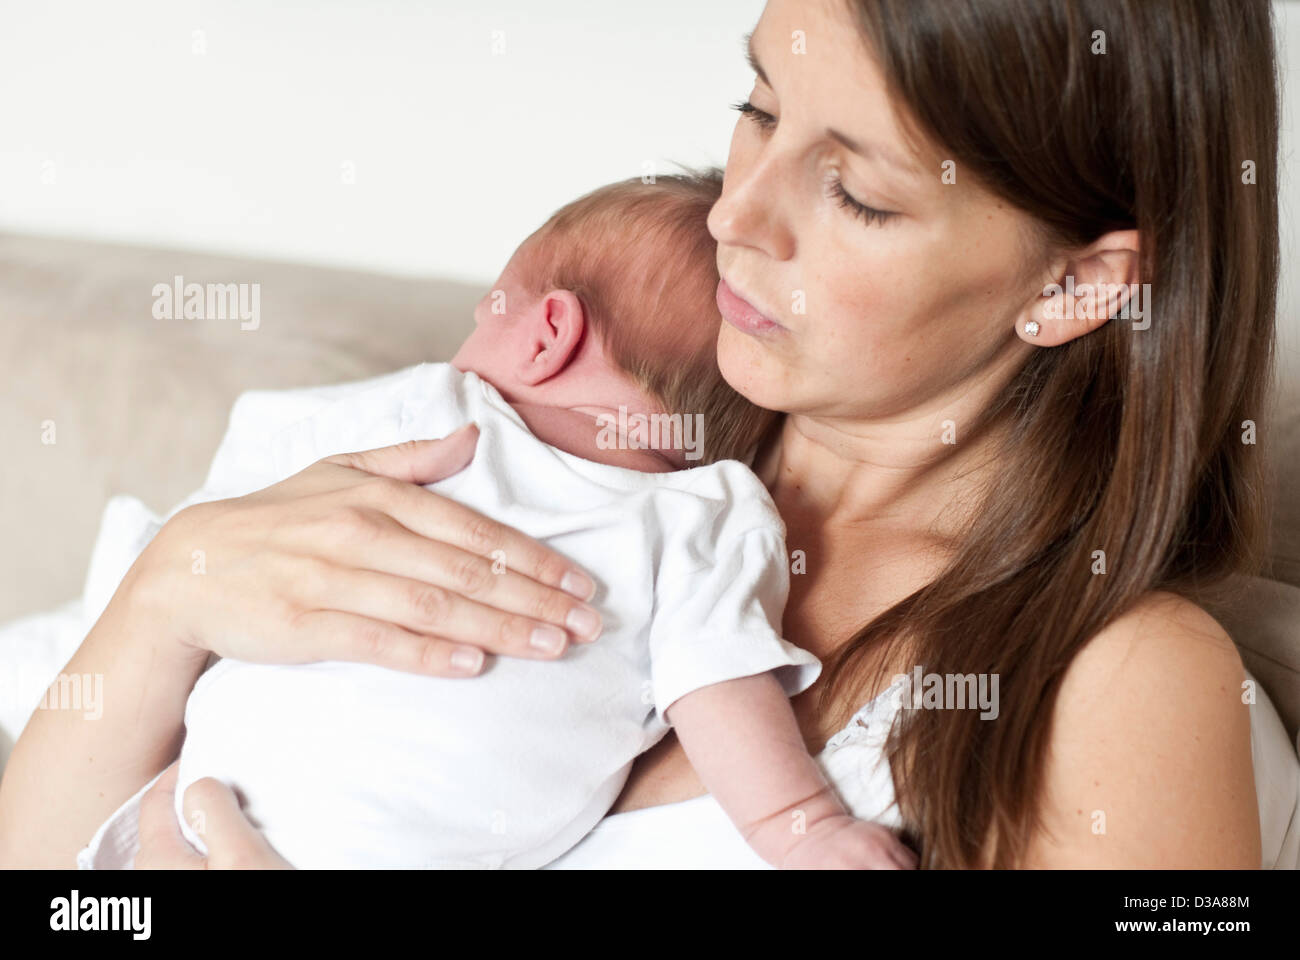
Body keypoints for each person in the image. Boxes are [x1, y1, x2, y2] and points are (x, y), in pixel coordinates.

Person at [0, 0, 1276, 869]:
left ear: (1073, 286)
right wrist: (168, 599)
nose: (737, 215)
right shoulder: (536, 447)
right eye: (760, 107)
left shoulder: (1123, 688)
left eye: (857, 193)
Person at [77, 171, 915, 870]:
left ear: (547, 332)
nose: (469, 333)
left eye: (489, 309)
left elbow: (224, 535)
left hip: (196, 803)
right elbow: (721, 689)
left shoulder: (410, 410)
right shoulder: (708, 517)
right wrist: (808, 828)